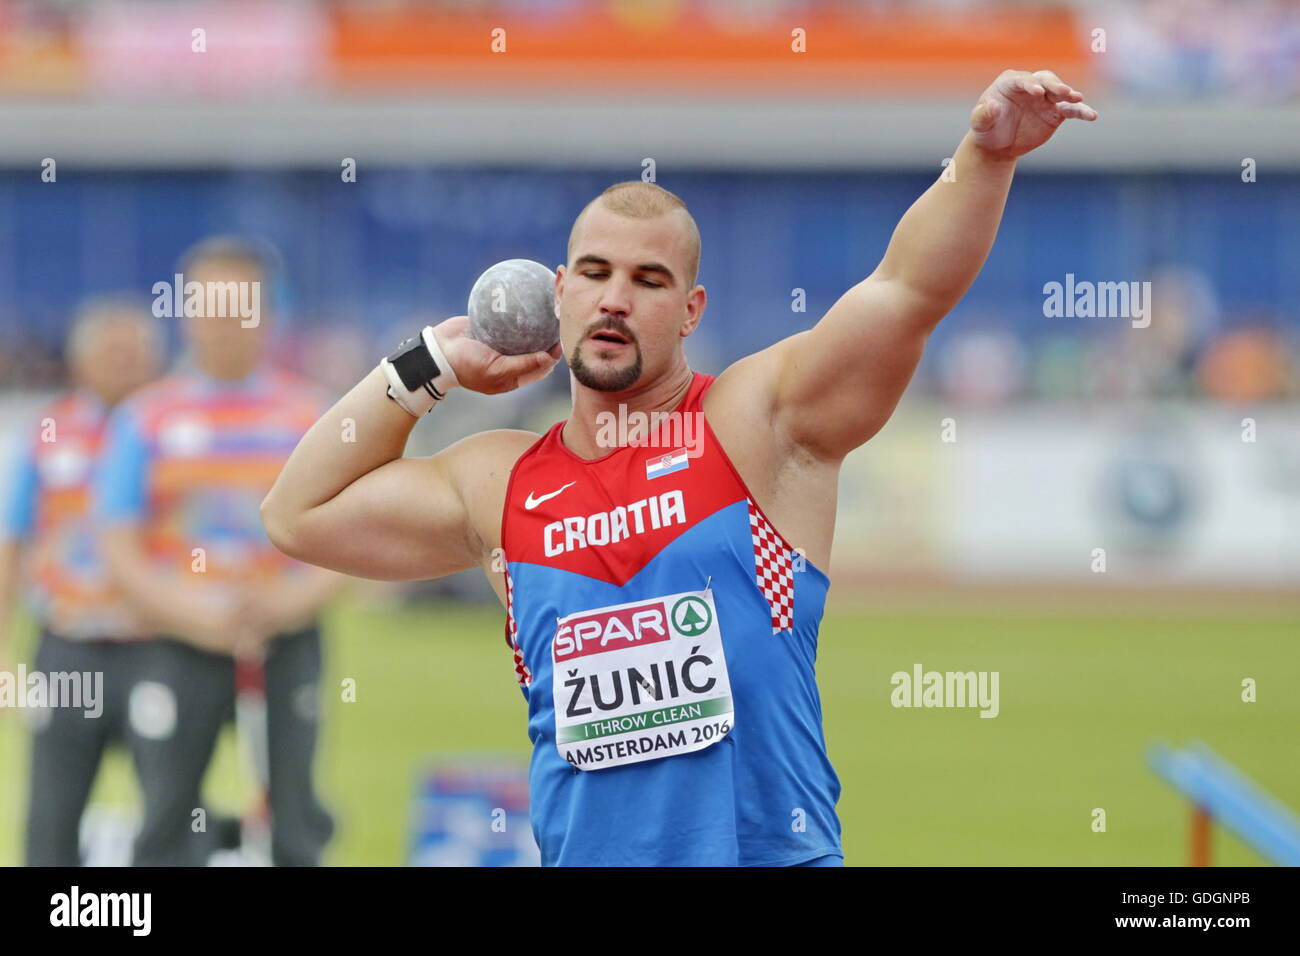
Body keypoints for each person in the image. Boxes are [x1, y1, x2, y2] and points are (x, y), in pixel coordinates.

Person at [262, 70, 1097, 866]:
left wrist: (983, 160)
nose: (615, 298)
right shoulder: (499, 482)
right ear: (559, 294)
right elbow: (298, 513)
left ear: (691, 310)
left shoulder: (758, 423)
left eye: (647, 280)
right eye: (594, 274)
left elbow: (905, 291)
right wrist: (433, 360)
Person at [97, 238, 341, 865]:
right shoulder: (144, 418)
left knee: (293, 817)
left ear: (268, 310)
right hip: (179, 645)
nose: (223, 319)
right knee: (167, 820)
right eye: (208, 301)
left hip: (284, 644)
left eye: (240, 303)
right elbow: (118, 545)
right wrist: (191, 615)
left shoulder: (309, 415)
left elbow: (343, 541)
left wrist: (288, 603)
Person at [0, 297, 162, 866]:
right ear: (81, 362)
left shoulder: (174, 429)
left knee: (171, 802)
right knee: (52, 808)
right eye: (112, 353)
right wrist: (3, 657)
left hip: (157, 645)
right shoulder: (46, 437)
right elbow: (11, 544)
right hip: (68, 645)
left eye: (136, 353)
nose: (125, 364)